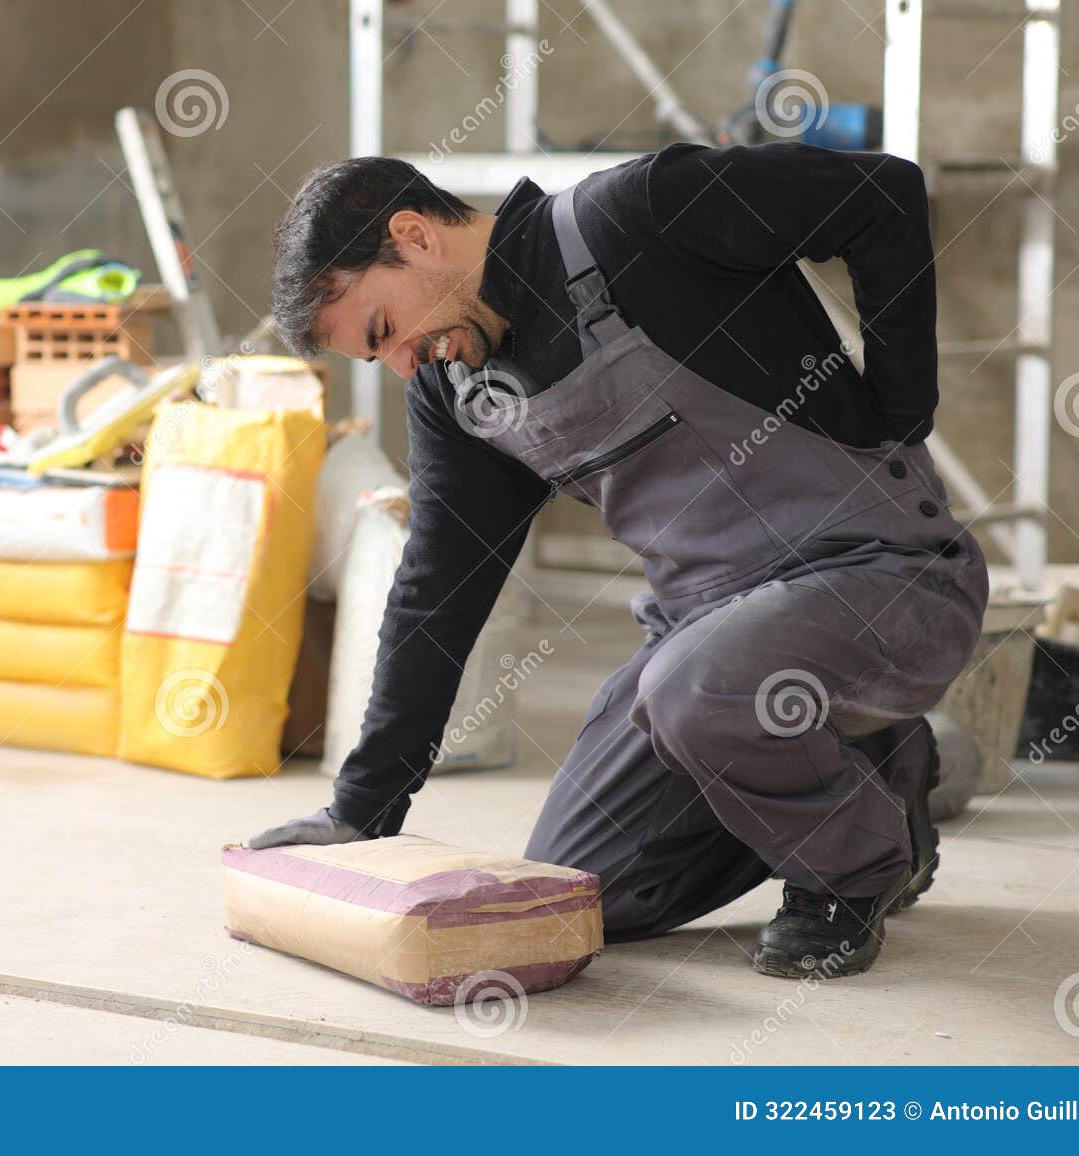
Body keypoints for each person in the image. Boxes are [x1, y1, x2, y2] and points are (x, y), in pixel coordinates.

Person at [248, 143, 988, 979]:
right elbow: (437, 593)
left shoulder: (638, 213)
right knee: (580, 892)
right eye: (374, 357)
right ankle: (881, 772)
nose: (402, 363)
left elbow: (882, 193)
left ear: (414, 236)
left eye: (384, 330)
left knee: (698, 693)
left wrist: (902, 407)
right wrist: (362, 810)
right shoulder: (459, 394)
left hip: (887, 576)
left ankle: (854, 872)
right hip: (707, 633)